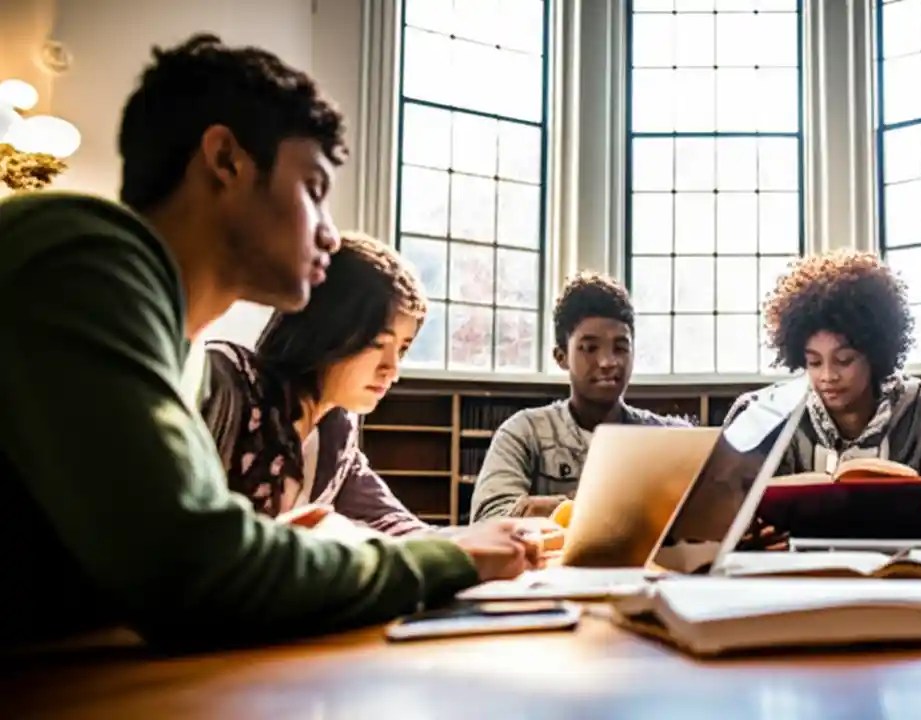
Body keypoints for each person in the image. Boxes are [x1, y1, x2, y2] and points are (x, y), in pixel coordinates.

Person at [0, 34, 534, 649]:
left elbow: (130, 567)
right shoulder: (84, 258)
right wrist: (451, 561)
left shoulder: (184, 350)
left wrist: (290, 551)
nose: (331, 237)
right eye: (313, 189)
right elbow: (194, 570)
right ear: (226, 159)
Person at [201, 231, 436, 537]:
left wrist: (493, 543)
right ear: (328, 329)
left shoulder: (334, 435)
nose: (392, 370)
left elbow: (397, 525)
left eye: (402, 349)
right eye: (377, 342)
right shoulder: (227, 383)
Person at [726, 250, 921, 539]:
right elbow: (725, 524)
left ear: (875, 354)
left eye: (844, 360)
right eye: (814, 362)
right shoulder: (761, 416)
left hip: (894, 579)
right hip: (792, 580)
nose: (828, 375)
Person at [470, 271, 689, 521]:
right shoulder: (523, 433)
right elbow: (490, 519)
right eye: (589, 348)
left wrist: (546, 509)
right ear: (561, 357)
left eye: (620, 347)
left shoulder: (669, 437)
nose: (608, 362)